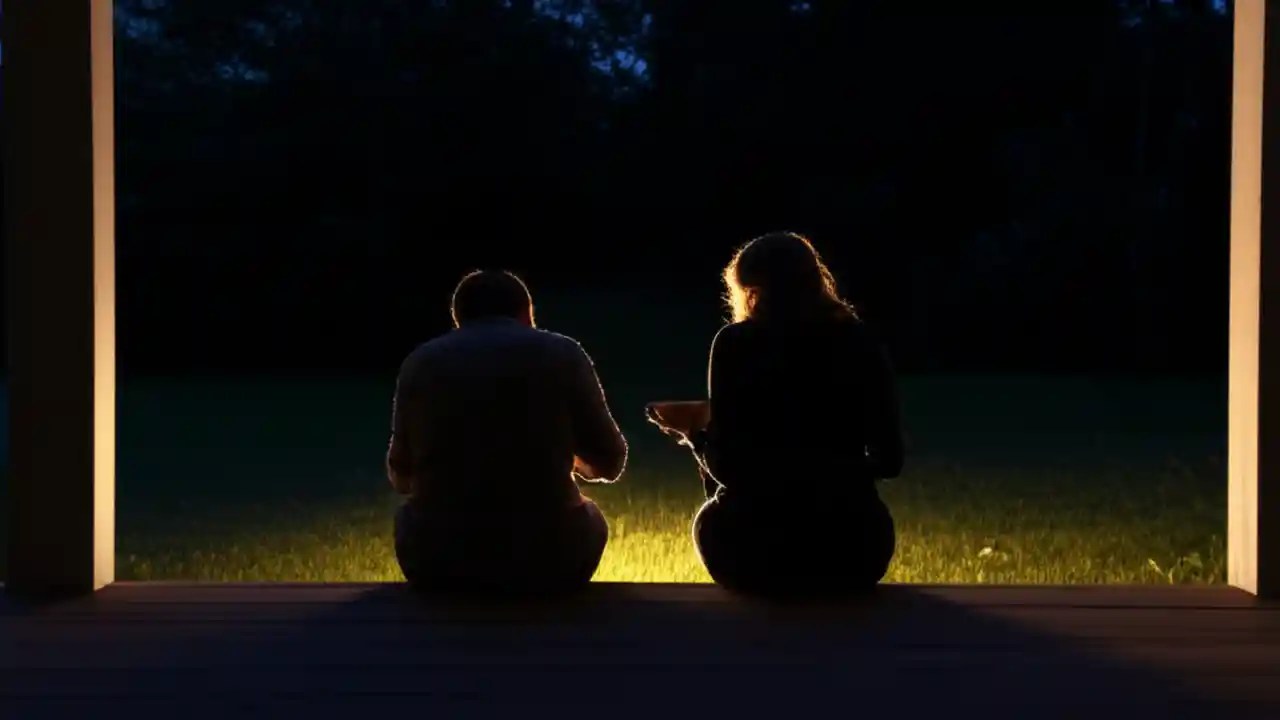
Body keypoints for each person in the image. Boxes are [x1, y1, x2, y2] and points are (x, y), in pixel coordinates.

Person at [676, 231, 905, 597]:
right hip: (854, 551)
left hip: (752, 554)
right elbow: (890, 460)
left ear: (750, 290)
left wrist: (697, 437)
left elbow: (728, 469)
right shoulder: (859, 342)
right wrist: (833, 470)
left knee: (712, 518)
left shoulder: (736, 344)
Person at [385, 269, 628, 595]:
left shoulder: (422, 362)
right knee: (590, 515)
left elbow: (402, 476)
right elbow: (610, 461)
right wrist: (563, 459)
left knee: (409, 517)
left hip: (439, 562)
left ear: (458, 317)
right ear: (527, 313)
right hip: (551, 559)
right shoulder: (562, 354)